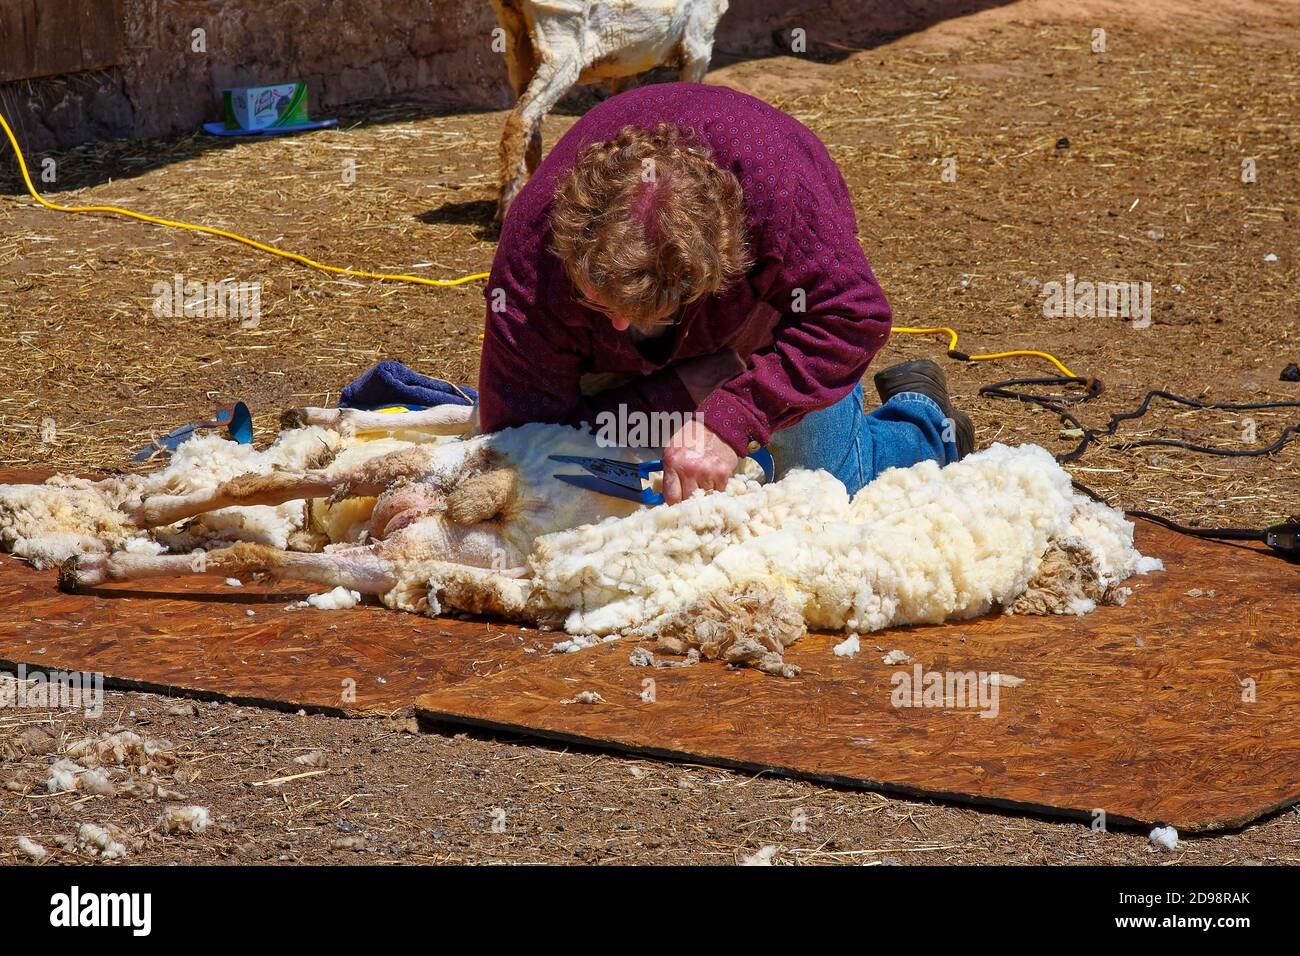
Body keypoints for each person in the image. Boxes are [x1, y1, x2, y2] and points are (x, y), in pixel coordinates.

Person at [477, 82, 973, 503]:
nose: (621, 323)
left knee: (823, 493)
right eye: (598, 300)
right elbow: (525, 430)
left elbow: (852, 317)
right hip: (635, 347)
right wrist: (678, 394)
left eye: (643, 310)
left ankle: (925, 421)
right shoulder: (533, 251)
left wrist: (731, 417)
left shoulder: (780, 191)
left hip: (758, 317)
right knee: (576, 483)